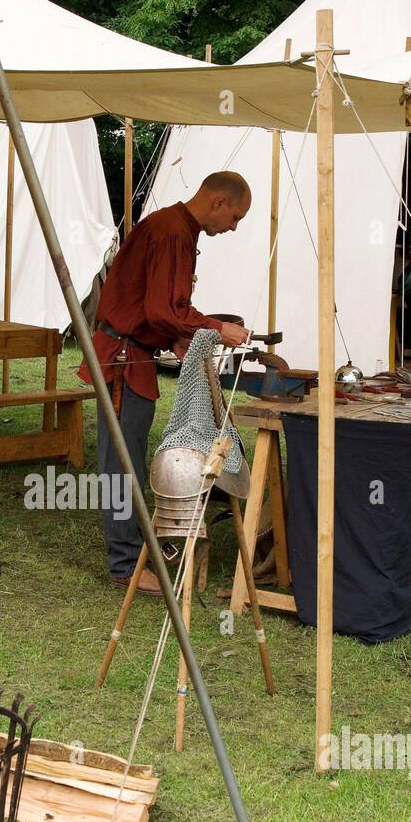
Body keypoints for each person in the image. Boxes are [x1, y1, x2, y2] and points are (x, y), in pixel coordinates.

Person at [79, 171, 252, 595]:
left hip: (129, 353)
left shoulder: (174, 227)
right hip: (122, 359)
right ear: (217, 201)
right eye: (235, 216)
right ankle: (125, 566)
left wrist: (175, 334)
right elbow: (160, 310)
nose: (233, 227)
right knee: (121, 464)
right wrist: (215, 327)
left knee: (128, 459)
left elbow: (155, 307)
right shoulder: (173, 232)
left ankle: (135, 552)